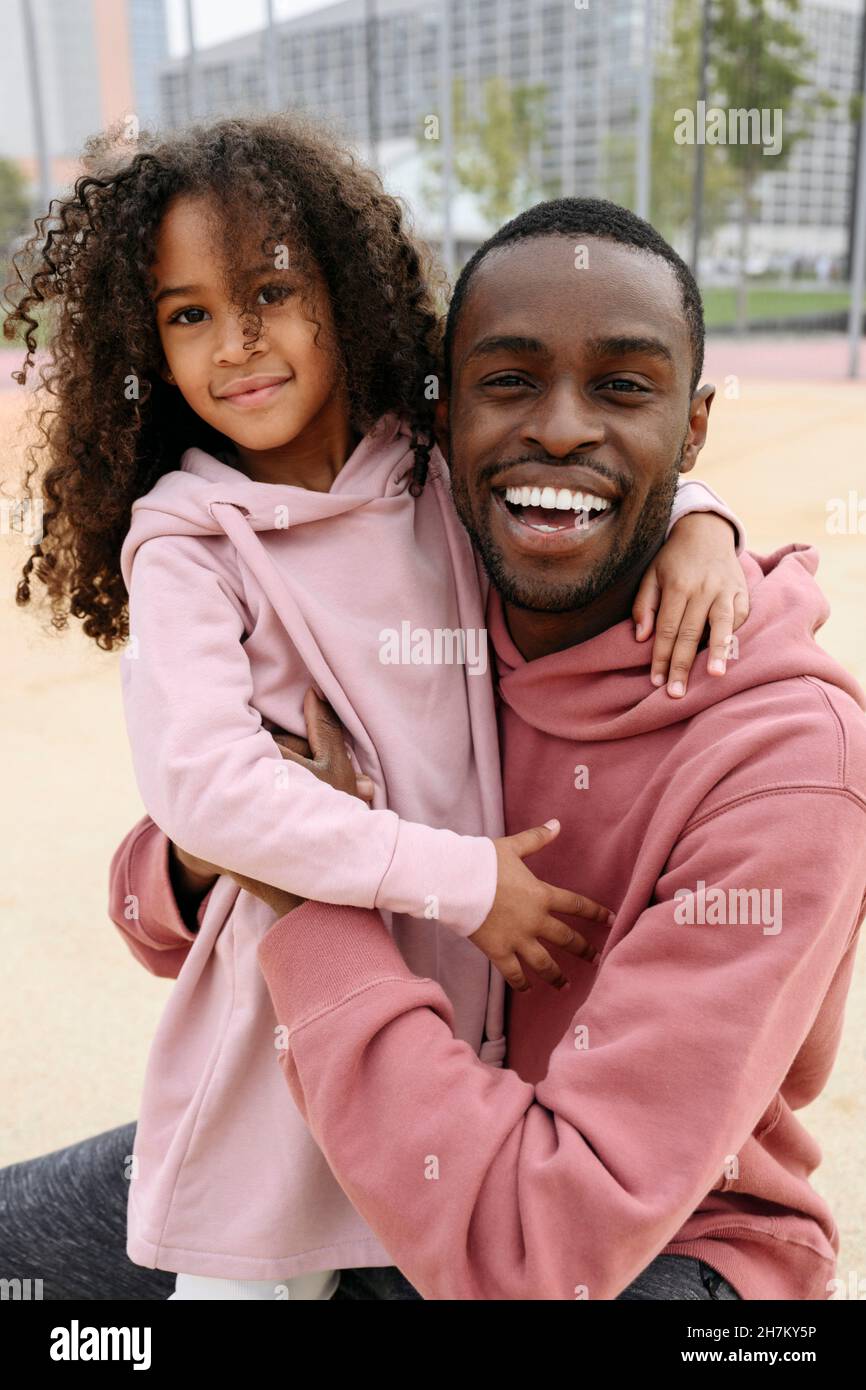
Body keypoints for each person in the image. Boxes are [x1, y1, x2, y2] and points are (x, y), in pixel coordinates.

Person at [2, 121, 745, 1303]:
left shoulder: (423, 472)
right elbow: (205, 792)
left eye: (271, 292)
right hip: (280, 1063)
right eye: (186, 314)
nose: (235, 345)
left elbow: (560, 466)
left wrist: (703, 517)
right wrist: (463, 881)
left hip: (453, 1065)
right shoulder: (189, 546)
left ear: (341, 292)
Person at [164, 200, 866, 1299]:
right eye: (506, 382)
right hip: (365, 1135)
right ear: (439, 421)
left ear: (692, 431)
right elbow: (179, 879)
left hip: (647, 1242)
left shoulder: (787, 759)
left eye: (624, 386)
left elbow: (534, 1257)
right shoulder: (446, 607)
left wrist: (306, 903)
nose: (558, 429)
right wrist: (201, 856)